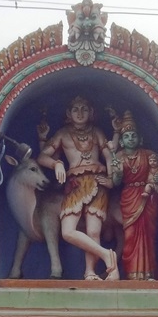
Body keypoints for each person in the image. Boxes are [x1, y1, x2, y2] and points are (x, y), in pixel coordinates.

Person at [36, 96, 120, 280]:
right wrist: (57, 163)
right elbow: (42, 157)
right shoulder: (63, 134)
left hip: (97, 181)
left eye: (84, 109)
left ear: (91, 112)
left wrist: (112, 179)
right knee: (67, 231)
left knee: (93, 231)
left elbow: (109, 156)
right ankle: (107, 255)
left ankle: (89, 272)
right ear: (68, 113)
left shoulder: (96, 132)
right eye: (75, 109)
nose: (80, 113)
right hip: (74, 184)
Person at [108, 110, 158, 280]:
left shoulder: (149, 155)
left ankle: (149, 273)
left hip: (147, 198)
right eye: (127, 136)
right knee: (130, 236)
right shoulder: (118, 156)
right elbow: (117, 182)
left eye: (133, 135)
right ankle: (132, 274)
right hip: (129, 197)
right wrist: (116, 171)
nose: (131, 138)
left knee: (148, 237)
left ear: (140, 138)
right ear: (123, 140)